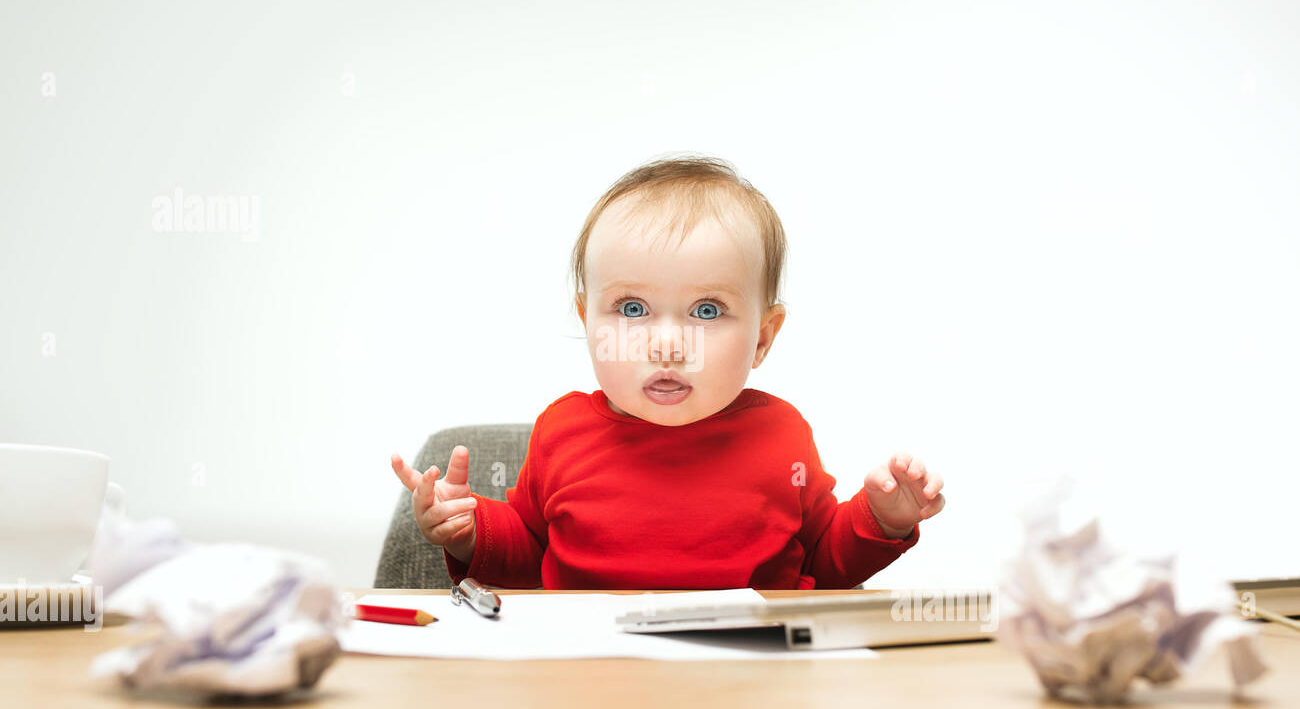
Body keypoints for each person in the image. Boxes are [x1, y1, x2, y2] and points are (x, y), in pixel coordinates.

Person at [390, 155, 946, 588]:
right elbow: (530, 549)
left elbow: (823, 562)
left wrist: (882, 519)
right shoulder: (562, 433)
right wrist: (468, 529)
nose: (667, 344)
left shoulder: (784, 437)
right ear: (589, 321)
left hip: (751, 677)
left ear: (762, 337)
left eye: (707, 311)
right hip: (593, 673)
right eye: (632, 309)